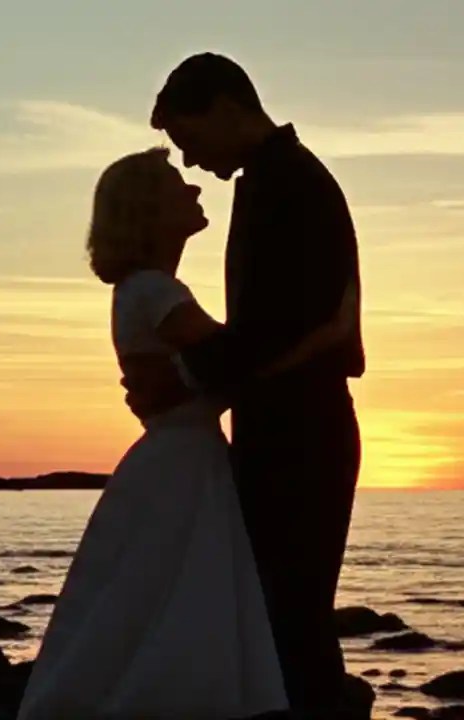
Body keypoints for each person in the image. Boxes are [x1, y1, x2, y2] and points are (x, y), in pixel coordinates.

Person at [15, 146, 356, 720]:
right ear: (150, 209)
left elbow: (217, 366)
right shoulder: (157, 291)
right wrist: (330, 335)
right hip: (183, 464)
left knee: (157, 596)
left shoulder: (144, 289)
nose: (195, 190)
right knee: (185, 596)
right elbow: (236, 361)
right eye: (179, 184)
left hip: (179, 456)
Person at [125, 52, 369, 720]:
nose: (191, 160)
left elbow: (283, 327)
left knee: (290, 613)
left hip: (302, 432)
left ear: (227, 108)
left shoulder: (288, 182)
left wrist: (182, 378)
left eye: (190, 139)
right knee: (282, 613)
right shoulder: (274, 179)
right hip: (285, 428)